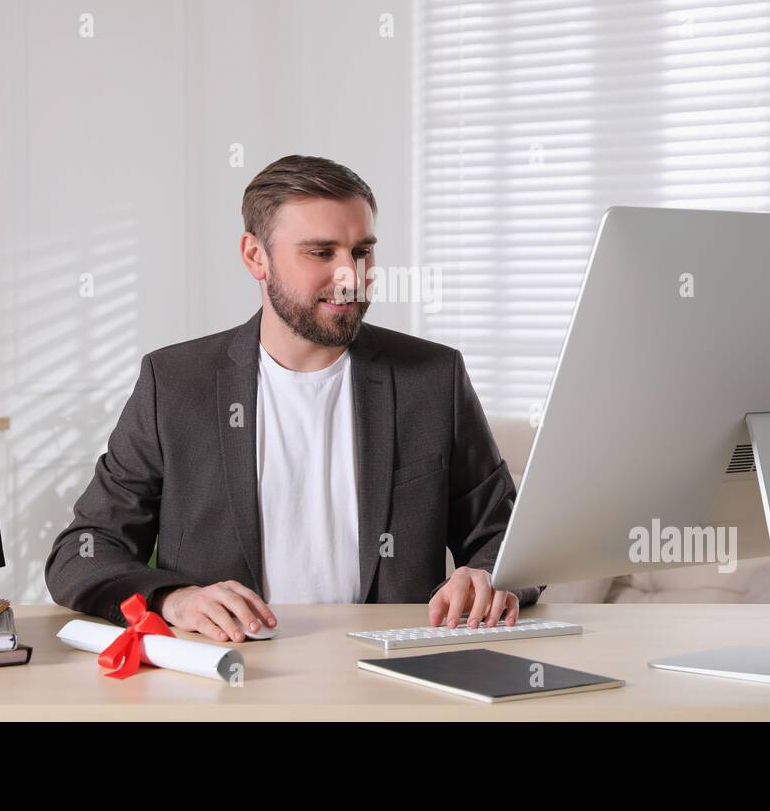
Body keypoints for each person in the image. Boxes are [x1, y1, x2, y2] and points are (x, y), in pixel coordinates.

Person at [45, 154, 543, 642]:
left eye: (362, 251)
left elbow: (508, 538)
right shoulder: (174, 383)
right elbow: (83, 552)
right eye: (321, 253)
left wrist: (484, 576)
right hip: (231, 678)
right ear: (255, 256)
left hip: (394, 679)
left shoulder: (432, 377)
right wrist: (174, 599)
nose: (351, 275)